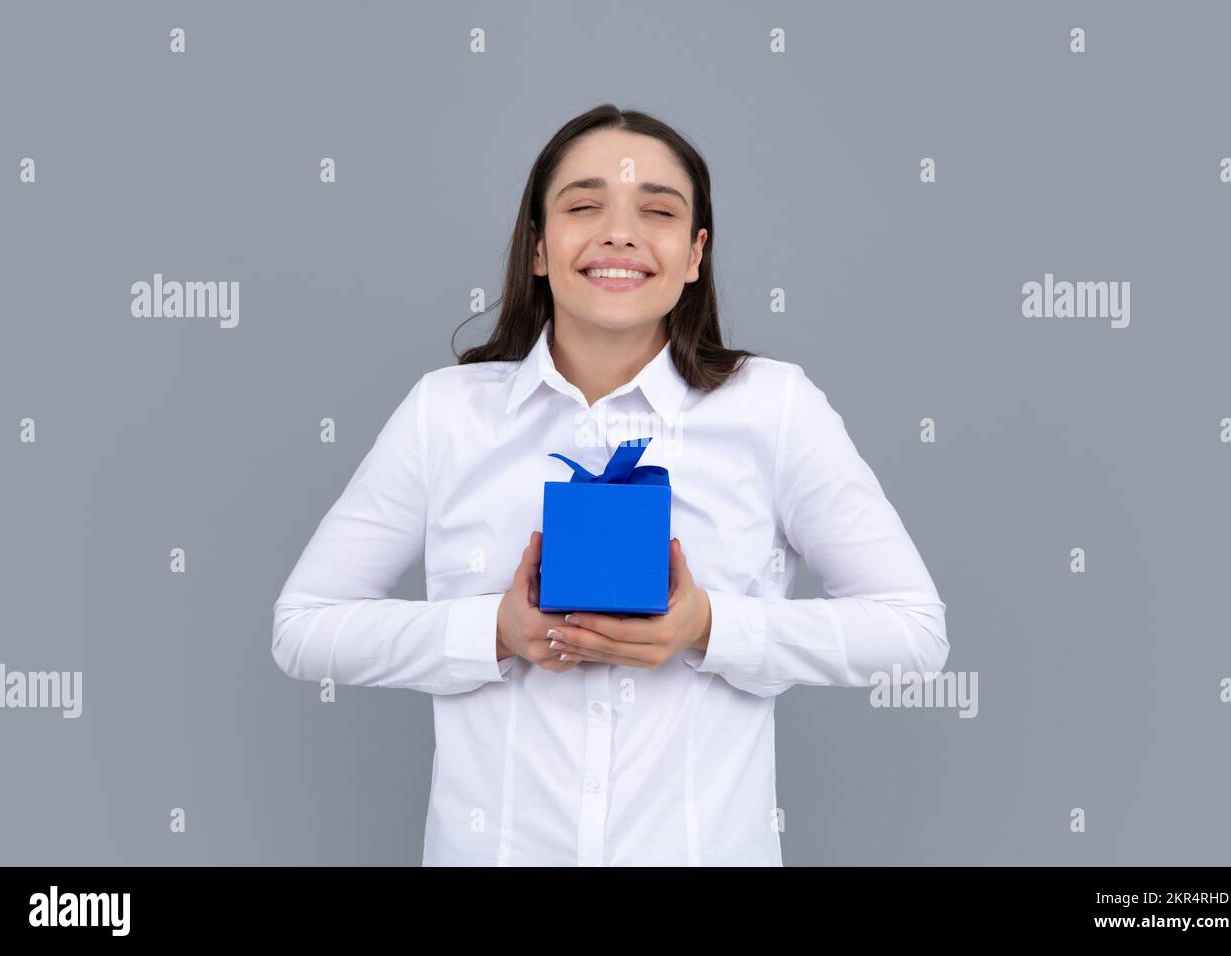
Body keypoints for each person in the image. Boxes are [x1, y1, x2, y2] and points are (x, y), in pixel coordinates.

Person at [271, 103, 948, 866]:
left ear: (696, 254)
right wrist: (493, 632)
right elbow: (304, 627)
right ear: (538, 247)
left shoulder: (776, 409)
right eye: (584, 205)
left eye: (656, 210)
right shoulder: (445, 416)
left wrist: (708, 627)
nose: (619, 232)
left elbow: (913, 632)